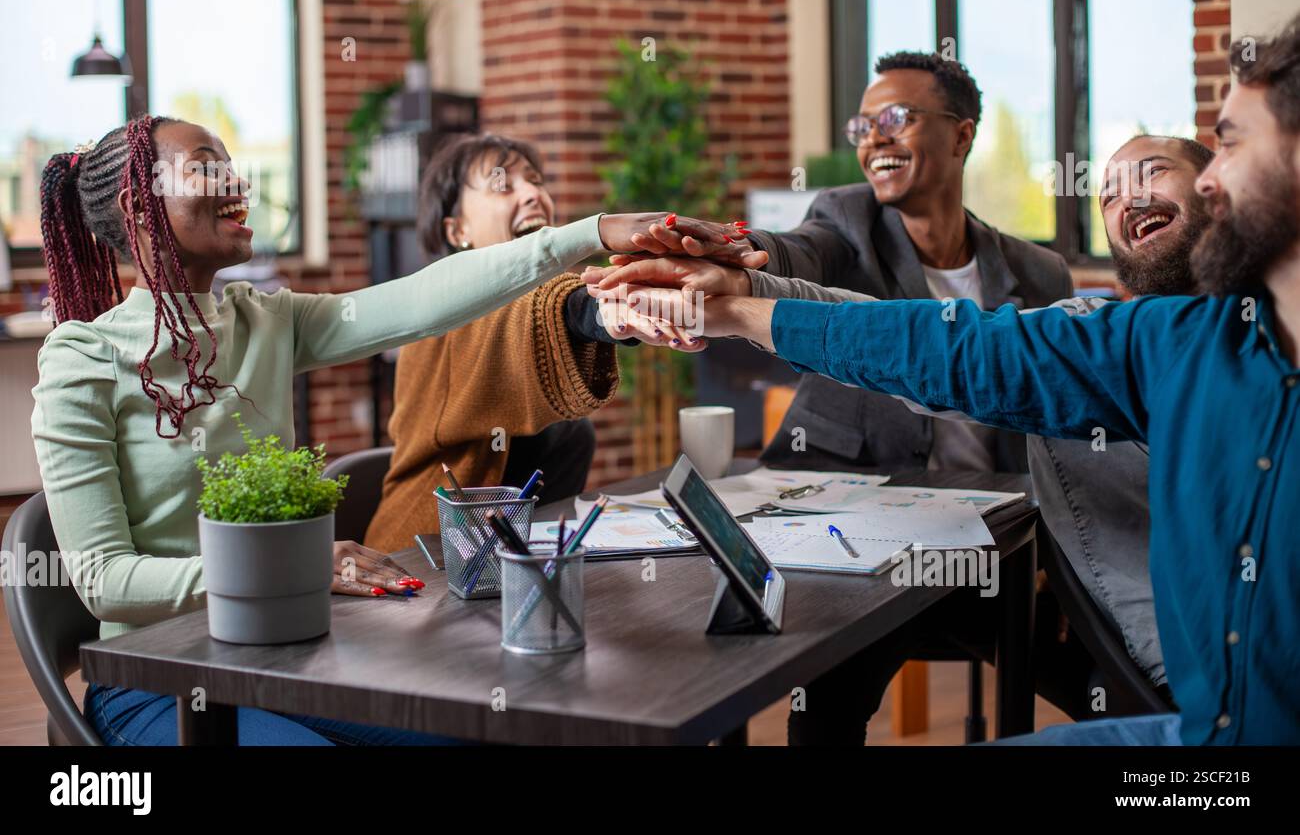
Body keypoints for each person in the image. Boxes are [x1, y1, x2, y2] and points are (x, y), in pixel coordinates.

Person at [30, 114, 756, 745]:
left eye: (232, 165)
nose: (236, 183)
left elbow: (424, 299)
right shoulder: (82, 360)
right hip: (158, 675)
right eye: (206, 169)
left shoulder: (266, 320)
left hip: (284, 646)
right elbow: (105, 584)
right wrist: (301, 569)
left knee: (482, 733)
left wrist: (588, 234)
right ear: (137, 205)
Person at [685, 13, 1300, 744]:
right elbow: (934, 340)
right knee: (832, 681)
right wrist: (740, 283)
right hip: (865, 524)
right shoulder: (1159, 342)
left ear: (961, 135)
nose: (873, 138)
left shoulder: (1065, 289)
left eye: (1227, 144)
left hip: (1012, 550)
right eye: (1105, 191)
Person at [596, 50, 1073, 475]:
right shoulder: (848, 216)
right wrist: (738, 253)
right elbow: (799, 250)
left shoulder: (1041, 273)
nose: (874, 141)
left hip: (1000, 512)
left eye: (895, 119)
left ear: (961, 135)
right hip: (848, 487)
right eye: (863, 128)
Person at [366, 133, 704, 551]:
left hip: (504, 569)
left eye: (536, 181)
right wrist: (593, 310)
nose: (532, 195)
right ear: (457, 230)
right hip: (420, 565)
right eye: (503, 186)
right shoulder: (437, 320)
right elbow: (506, 313)